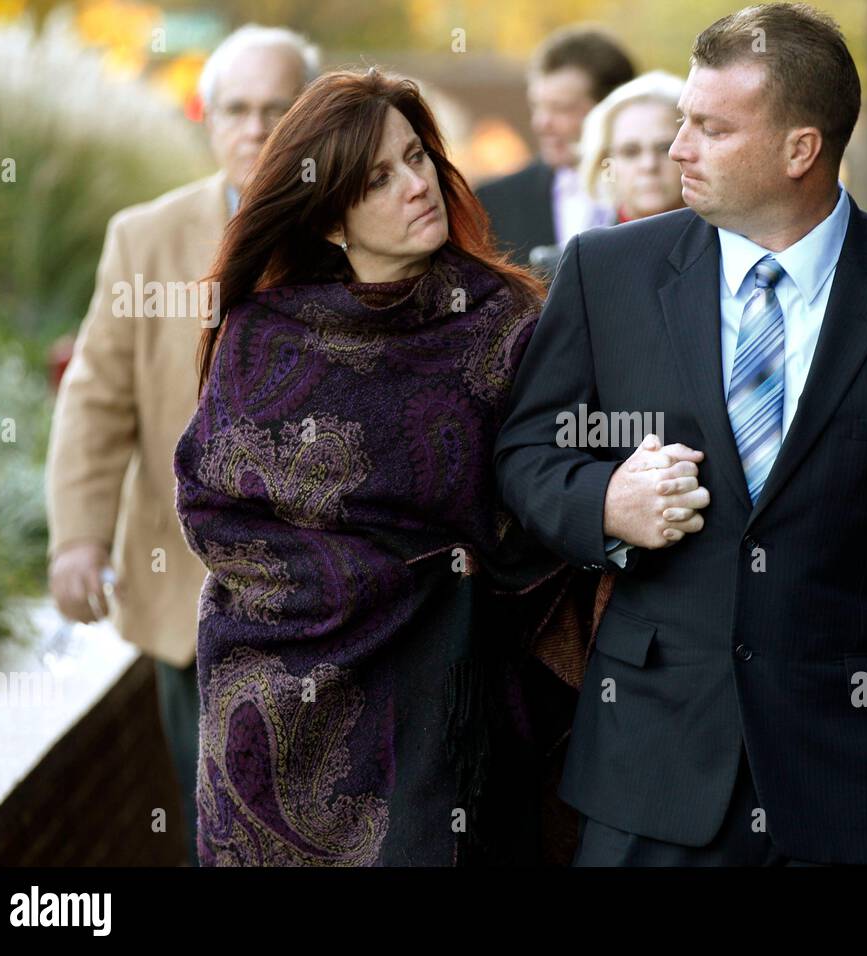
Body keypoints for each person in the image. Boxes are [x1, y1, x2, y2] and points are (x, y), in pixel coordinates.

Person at [494, 2, 867, 866]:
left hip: (862, 787)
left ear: (800, 150)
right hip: (657, 775)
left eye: (709, 127)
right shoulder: (607, 273)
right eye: (681, 124)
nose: (678, 151)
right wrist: (604, 502)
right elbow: (525, 456)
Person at [173, 67, 591, 866]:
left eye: (416, 157)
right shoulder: (265, 336)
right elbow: (213, 508)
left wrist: (455, 580)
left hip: (452, 713)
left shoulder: (507, 324)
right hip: (279, 723)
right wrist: (379, 579)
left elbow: (543, 505)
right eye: (378, 178)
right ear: (332, 219)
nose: (415, 184)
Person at [45, 24, 321, 866]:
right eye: (234, 108)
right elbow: (98, 400)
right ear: (208, 120)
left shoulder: (362, 228)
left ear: (309, 119)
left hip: (332, 596)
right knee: (218, 824)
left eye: (277, 109)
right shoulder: (146, 236)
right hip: (188, 595)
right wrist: (80, 537)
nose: (253, 127)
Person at [475, 24, 636, 274]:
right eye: (537, 107)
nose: (541, 124)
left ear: (612, 111)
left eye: (562, 108)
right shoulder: (493, 203)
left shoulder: (659, 192)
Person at [578, 70, 686, 224]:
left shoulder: (729, 245)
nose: (649, 165)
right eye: (630, 152)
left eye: (665, 149)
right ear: (605, 163)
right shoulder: (581, 248)